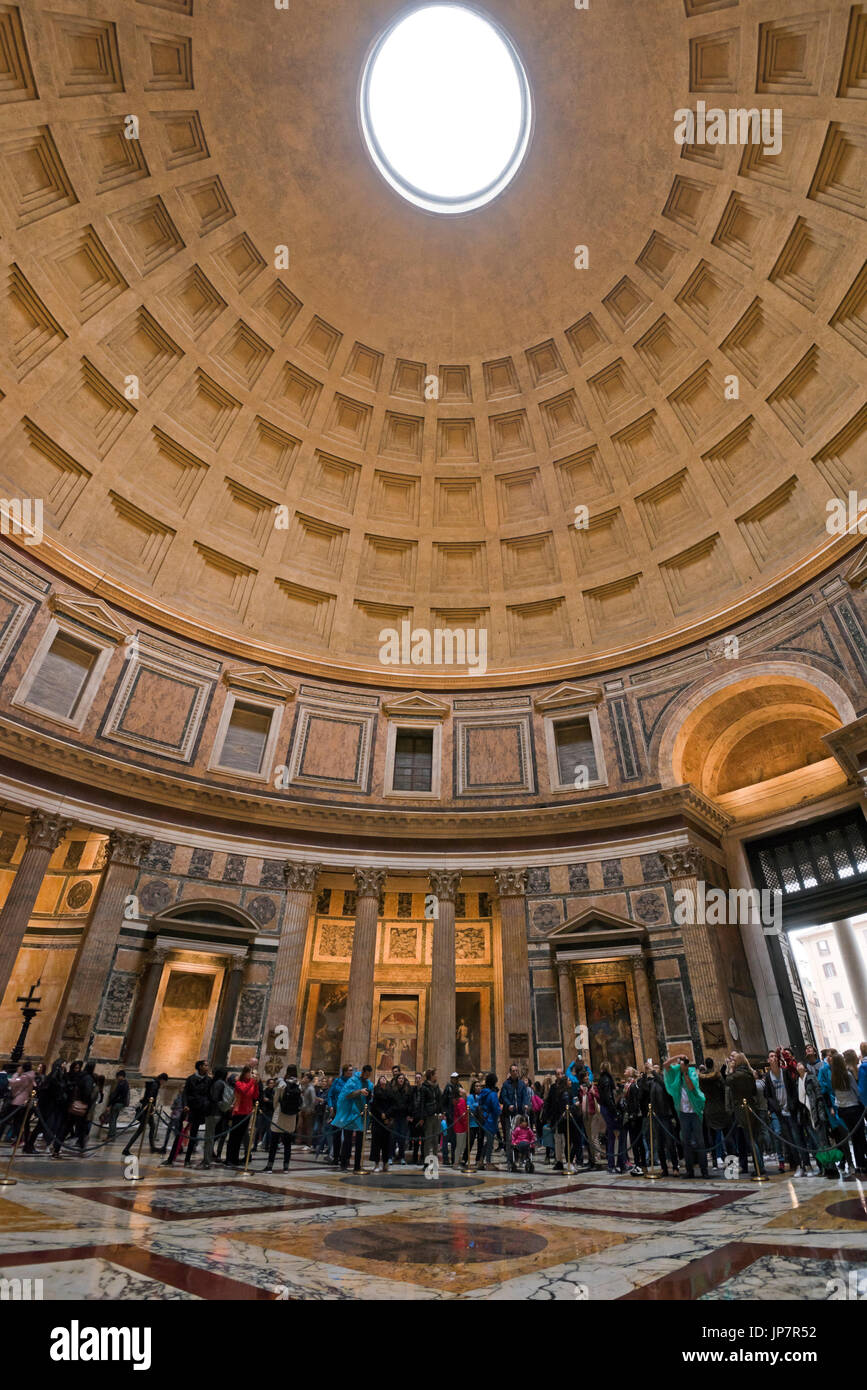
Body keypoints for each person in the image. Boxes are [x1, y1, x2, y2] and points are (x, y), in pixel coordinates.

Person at [163, 1060, 211, 1167]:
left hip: (199, 1110)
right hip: (188, 1109)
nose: (207, 1067)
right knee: (180, 1133)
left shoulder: (208, 1080)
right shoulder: (191, 1078)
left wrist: (205, 1104)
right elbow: (185, 1093)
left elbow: (208, 1095)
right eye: (205, 1065)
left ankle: (187, 1160)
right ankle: (171, 1159)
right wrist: (185, 1104)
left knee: (193, 1135)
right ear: (200, 1067)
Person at [725, 1052, 764, 1175]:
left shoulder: (736, 1075)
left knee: (750, 1139)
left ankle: (759, 1168)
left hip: (742, 1109)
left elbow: (728, 1081)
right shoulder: (749, 1074)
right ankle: (760, 1165)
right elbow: (753, 1091)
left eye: (734, 1060)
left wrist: (731, 1069)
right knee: (755, 1138)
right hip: (752, 1106)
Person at [830, 1051, 867, 1176]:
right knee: (860, 1136)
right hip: (854, 1108)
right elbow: (857, 1092)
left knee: (855, 1137)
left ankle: (860, 1164)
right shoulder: (848, 1075)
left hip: (843, 1110)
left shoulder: (833, 1078)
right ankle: (862, 1164)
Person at [335, 1063, 374, 1172]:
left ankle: (357, 1165)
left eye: (369, 1075)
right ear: (362, 1072)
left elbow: (370, 1099)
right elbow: (346, 1095)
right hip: (351, 1114)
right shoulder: (353, 1080)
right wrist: (359, 1091)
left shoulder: (369, 1084)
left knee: (360, 1142)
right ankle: (343, 1163)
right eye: (365, 1074)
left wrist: (370, 1096)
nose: (367, 1077)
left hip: (362, 1115)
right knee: (347, 1140)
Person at [265, 1066, 302, 1172]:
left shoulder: (282, 1084)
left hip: (280, 1115)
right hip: (291, 1117)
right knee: (287, 1144)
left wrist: (276, 1109)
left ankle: (269, 1166)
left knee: (274, 1143)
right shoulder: (298, 1085)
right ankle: (286, 1167)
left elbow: (276, 1099)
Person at [122, 1074, 167, 1156]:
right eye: (164, 1081)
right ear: (162, 1080)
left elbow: (147, 1097)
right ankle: (126, 1149)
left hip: (148, 1109)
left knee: (152, 1126)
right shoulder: (155, 1085)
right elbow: (151, 1097)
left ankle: (152, 1147)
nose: (163, 1083)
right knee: (140, 1130)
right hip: (147, 1110)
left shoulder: (153, 1083)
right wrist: (152, 1106)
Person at [499, 1063, 531, 1171]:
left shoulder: (521, 1084)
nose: (515, 1072)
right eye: (513, 1070)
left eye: (517, 1070)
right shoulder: (506, 1084)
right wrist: (509, 1105)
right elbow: (503, 1096)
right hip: (509, 1114)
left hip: (521, 1114)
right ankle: (510, 1160)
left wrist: (526, 1104)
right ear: (510, 1072)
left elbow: (525, 1095)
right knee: (510, 1137)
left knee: (523, 1136)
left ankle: (523, 1158)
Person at [597, 1062, 628, 1175]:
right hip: (609, 1109)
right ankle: (616, 1164)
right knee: (616, 1136)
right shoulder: (606, 1079)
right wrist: (615, 1112)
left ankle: (616, 1164)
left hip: (606, 1108)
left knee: (611, 1136)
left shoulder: (602, 1079)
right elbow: (608, 1097)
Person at [226, 1064, 258, 1167]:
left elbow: (255, 1096)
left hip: (247, 1112)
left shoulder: (252, 1083)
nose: (251, 1075)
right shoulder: (239, 1083)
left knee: (240, 1137)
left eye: (252, 1073)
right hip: (238, 1112)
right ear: (244, 1073)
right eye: (250, 1073)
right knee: (234, 1137)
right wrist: (253, 1082)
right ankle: (229, 1158)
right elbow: (243, 1091)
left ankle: (235, 1159)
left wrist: (256, 1084)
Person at [699, 1059, 729, 1169]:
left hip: (709, 1108)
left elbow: (701, 1091)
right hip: (720, 1107)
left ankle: (716, 1162)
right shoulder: (718, 1076)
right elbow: (723, 1090)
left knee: (712, 1136)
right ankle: (731, 1162)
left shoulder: (701, 1079)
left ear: (706, 1065)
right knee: (726, 1135)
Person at [201, 1066, 231, 1169]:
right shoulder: (223, 1083)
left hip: (213, 1113)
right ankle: (208, 1158)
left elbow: (214, 1098)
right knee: (211, 1137)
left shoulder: (218, 1083)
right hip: (220, 1113)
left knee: (209, 1137)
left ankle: (207, 1160)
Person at [622, 1066, 646, 1174]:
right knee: (635, 1141)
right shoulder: (628, 1085)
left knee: (637, 1141)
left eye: (627, 1069)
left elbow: (636, 1102)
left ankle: (640, 1164)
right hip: (632, 1115)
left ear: (631, 1073)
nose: (624, 1071)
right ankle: (639, 1163)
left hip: (635, 1117)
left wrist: (633, 1115)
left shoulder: (633, 1086)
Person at [326, 1066, 351, 1163]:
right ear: (344, 1071)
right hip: (337, 1111)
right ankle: (336, 1157)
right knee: (337, 1135)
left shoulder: (352, 1082)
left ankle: (346, 1157)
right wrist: (331, 1106)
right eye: (349, 1070)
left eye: (352, 1070)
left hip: (348, 1112)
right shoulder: (337, 1081)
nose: (351, 1072)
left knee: (347, 1137)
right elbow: (330, 1095)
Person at [369, 1074, 393, 1172]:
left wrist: (387, 1115)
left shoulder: (390, 1091)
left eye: (384, 1078)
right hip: (377, 1119)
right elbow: (374, 1105)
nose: (383, 1079)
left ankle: (386, 1163)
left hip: (387, 1120)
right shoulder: (376, 1090)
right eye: (381, 1078)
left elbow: (392, 1104)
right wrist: (381, 1113)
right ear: (379, 1081)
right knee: (376, 1143)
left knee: (386, 1143)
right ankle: (376, 1164)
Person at [417, 1068, 442, 1160]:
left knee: (436, 1139)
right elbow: (422, 1103)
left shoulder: (436, 1086)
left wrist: (441, 1112)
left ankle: (434, 1159)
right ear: (431, 1075)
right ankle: (426, 1160)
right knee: (428, 1139)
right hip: (428, 1115)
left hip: (436, 1115)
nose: (437, 1076)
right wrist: (422, 1117)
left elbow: (440, 1100)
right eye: (435, 1074)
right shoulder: (424, 1087)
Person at [477, 1072, 500, 1169]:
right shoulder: (492, 1094)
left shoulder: (483, 1092)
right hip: (490, 1120)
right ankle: (488, 1163)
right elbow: (496, 1109)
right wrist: (500, 1110)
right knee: (490, 1143)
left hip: (483, 1119)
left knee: (487, 1142)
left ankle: (481, 1160)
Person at [389, 1070, 412, 1164]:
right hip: (394, 1116)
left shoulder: (407, 1090)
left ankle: (402, 1157)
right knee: (392, 1138)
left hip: (403, 1116)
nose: (401, 1080)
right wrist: (390, 1115)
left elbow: (409, 1103)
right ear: (396, 1079)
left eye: (402, 1078)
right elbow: (390, 1102)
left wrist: (409, 1114)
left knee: (402, 1139)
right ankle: (390, 1156)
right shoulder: (392, 1090)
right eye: (399, 1078)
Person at [106, 1070, 130, 1140]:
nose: (117, 1078)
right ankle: (112, 1136)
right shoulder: (126, 1083)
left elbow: (115, 1095)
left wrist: (109, 1105)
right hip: (121, 1103)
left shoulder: (121, 1084)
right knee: (114, 1119)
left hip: (117, 1104)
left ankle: (111, 1136)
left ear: (121, 1076)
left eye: (118, 1077)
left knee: (112, 1120)